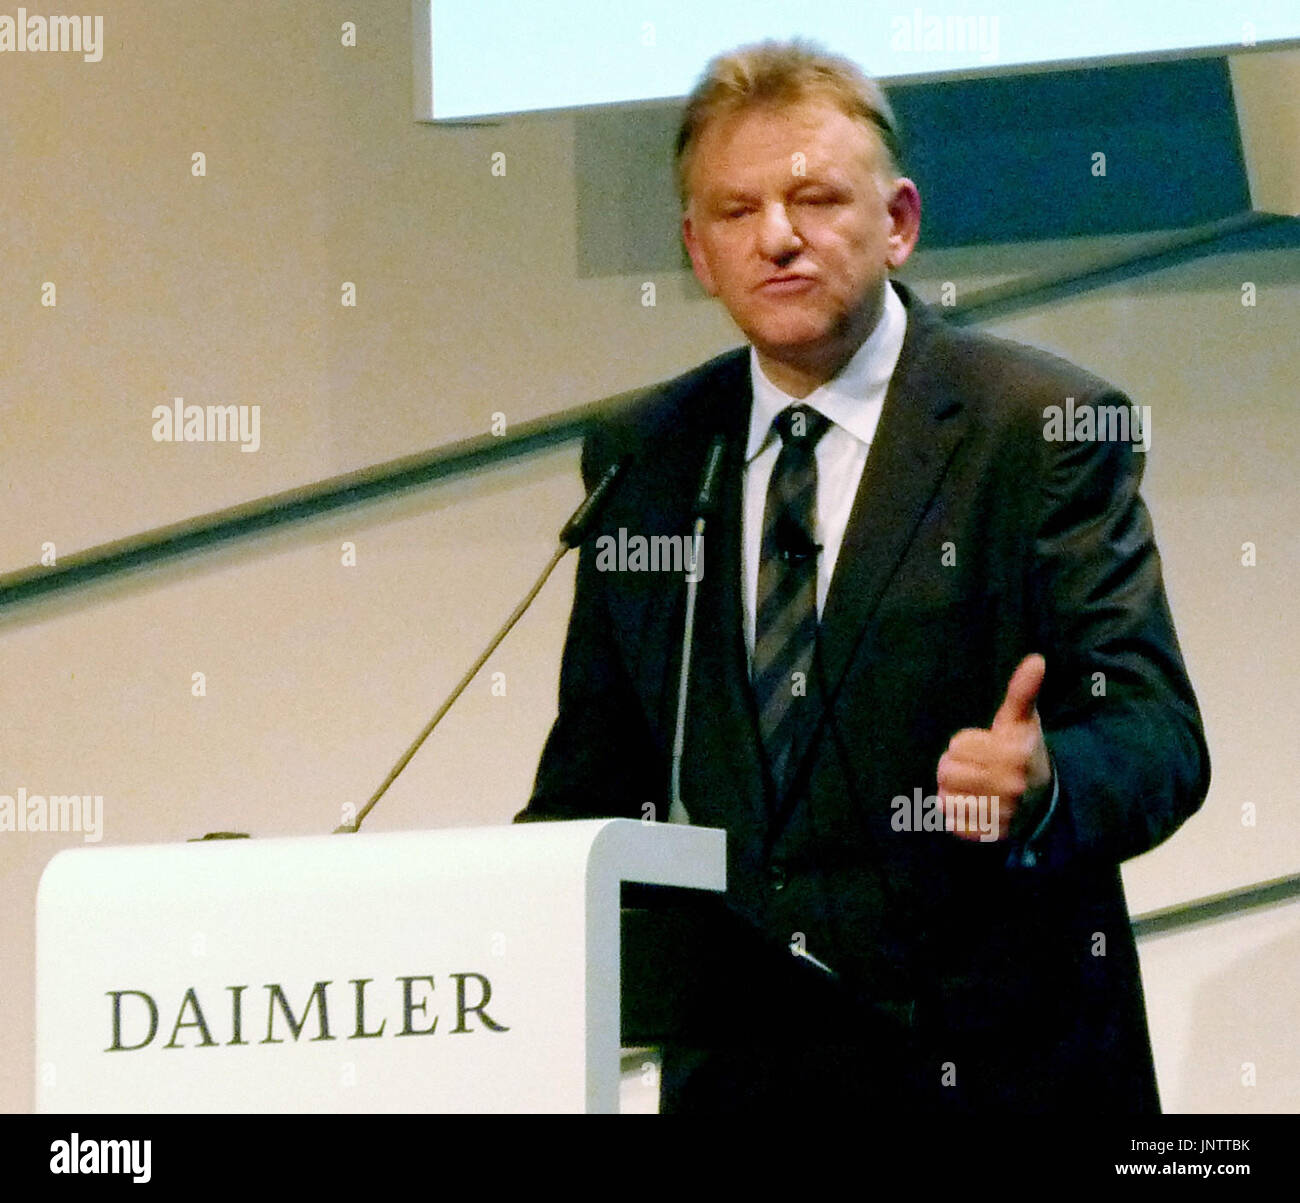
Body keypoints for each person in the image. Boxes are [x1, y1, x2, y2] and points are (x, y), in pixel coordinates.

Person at [516, 39, 1209, 1114]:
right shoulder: (647, 456)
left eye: (813, 199)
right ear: (697, 251)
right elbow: (591, 784)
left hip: (998, 1072)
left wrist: (1045, 784)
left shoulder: (1032, 427)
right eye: (737, 213)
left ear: (897, 223)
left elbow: (1158, 737)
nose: (778, 238)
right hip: (746, 1084)